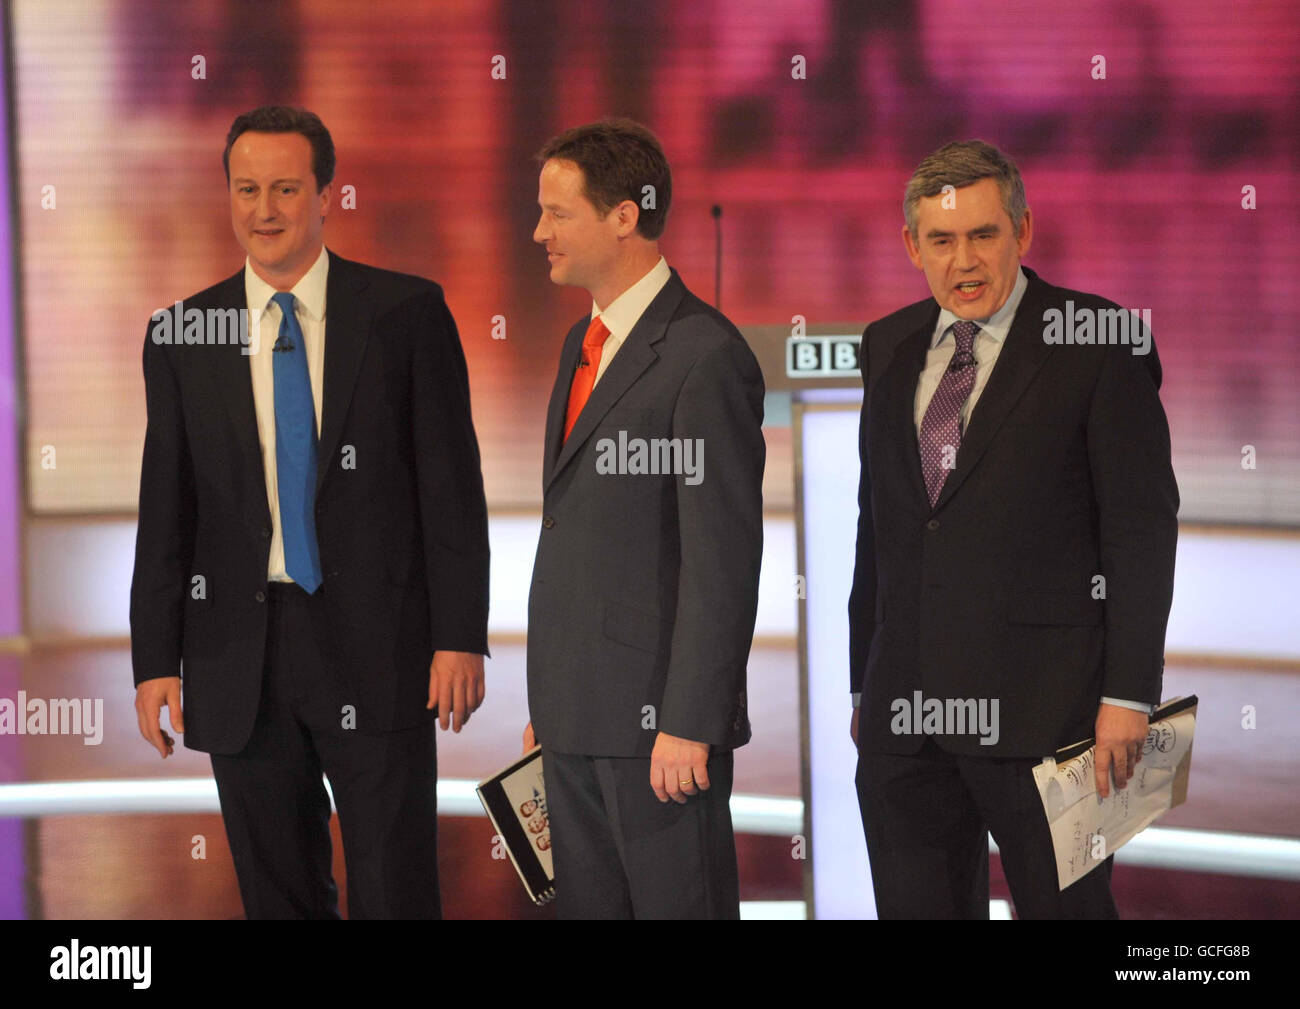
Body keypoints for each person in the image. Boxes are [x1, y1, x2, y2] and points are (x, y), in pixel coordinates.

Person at [130, 105, 490, 919]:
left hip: (382, 650)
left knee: (397, 890)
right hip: (237, 660)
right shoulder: (184, 333)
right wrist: (156, 659)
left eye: (287, 188)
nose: (265, 209)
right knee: (277, 896)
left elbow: (451, 493)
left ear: (329, 194)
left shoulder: (406, 315)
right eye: (248, 188)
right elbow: (167, 512)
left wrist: (460, 635)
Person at [848, 140, 1178, 919]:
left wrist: (1129, 693)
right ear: (912, 247)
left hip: (1048, 718)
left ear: (1023, 232)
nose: (964, 260)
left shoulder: (1100, 340)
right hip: (906, 724)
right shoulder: (887, 344)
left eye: (983, 234)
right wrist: (866, 679)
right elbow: (879, 530)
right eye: (942, 239)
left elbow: (1140, 528)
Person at [522, 118, 765, 919]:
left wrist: (690, 722)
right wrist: (551, 706)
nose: (539, 231)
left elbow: (721, 560)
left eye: (558, 212)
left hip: (660, 736)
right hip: (575, 719)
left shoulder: (706, 355)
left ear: (625, 215)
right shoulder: (579, 343)